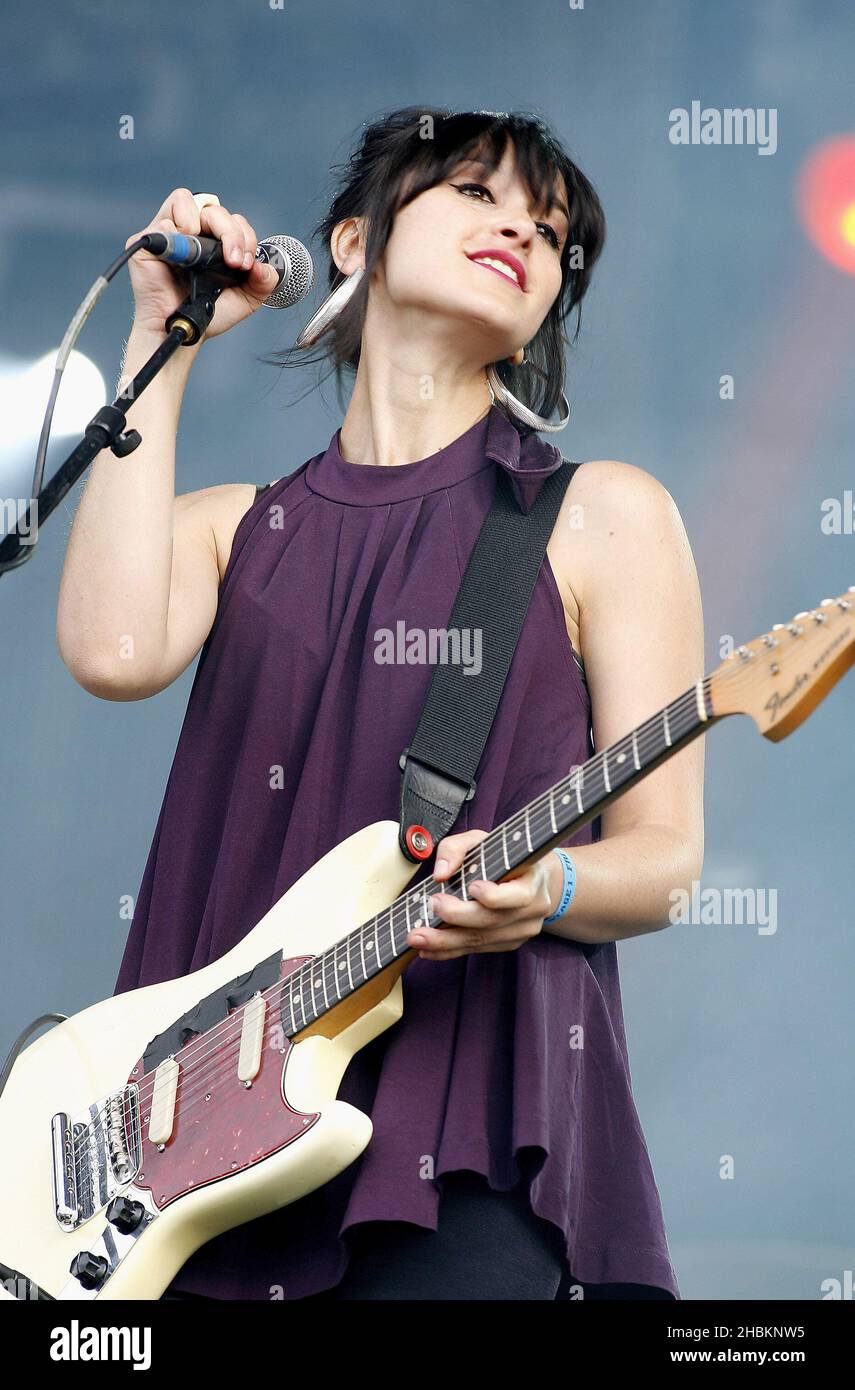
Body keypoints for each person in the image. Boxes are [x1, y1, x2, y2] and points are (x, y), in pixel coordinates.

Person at [56, 107, 704, 1301]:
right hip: (189, 1159)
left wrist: (544, 887)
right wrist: (168, 331)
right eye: (474, 192)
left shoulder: (602, 517)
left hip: (459, 1137)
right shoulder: (234, 529)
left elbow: (665, 864)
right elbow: (111, 646)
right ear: (352, 242)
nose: (522, 225)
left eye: (553, 230)